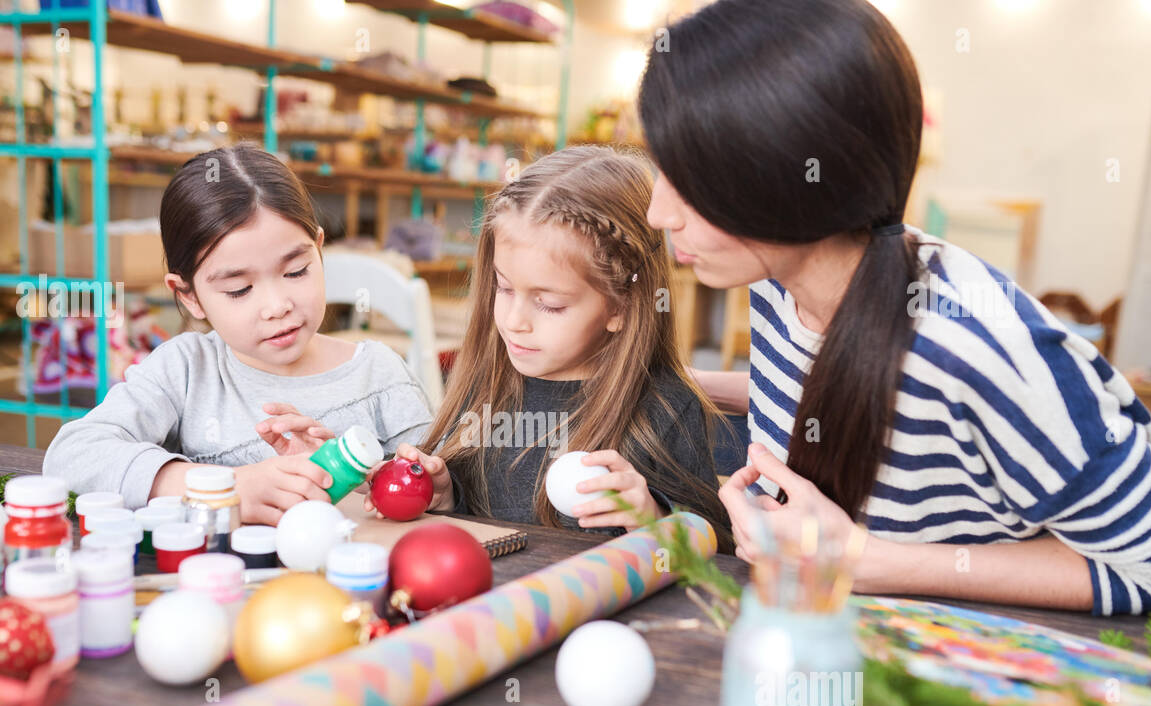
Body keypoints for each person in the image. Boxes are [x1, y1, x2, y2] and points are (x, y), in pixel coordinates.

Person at [641, 0, 1151, 614]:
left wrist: (862, 560)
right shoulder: (777, 279)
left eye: (689, 180)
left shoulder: (978, 347)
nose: (658, 212)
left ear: (787, 180)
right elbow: (846, 391)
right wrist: (685, 385)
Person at [43, 143, 433, 524]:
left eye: (296, 270)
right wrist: (223, 487)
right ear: (190, 296)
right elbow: (71, 456)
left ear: (318, 248)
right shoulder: (184, 370)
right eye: (239, 290)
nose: (277, 305)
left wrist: (402, 484)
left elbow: (448, 490)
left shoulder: (381, 376)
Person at [374, 146, 731, 548]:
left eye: (550, 304)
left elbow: (718, 550)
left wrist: (653, 518)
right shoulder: (489, 381)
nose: (513, 321)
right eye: (504, 287)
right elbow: (478, 509)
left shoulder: (666, 408)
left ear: (621, 307)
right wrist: (447, 495)